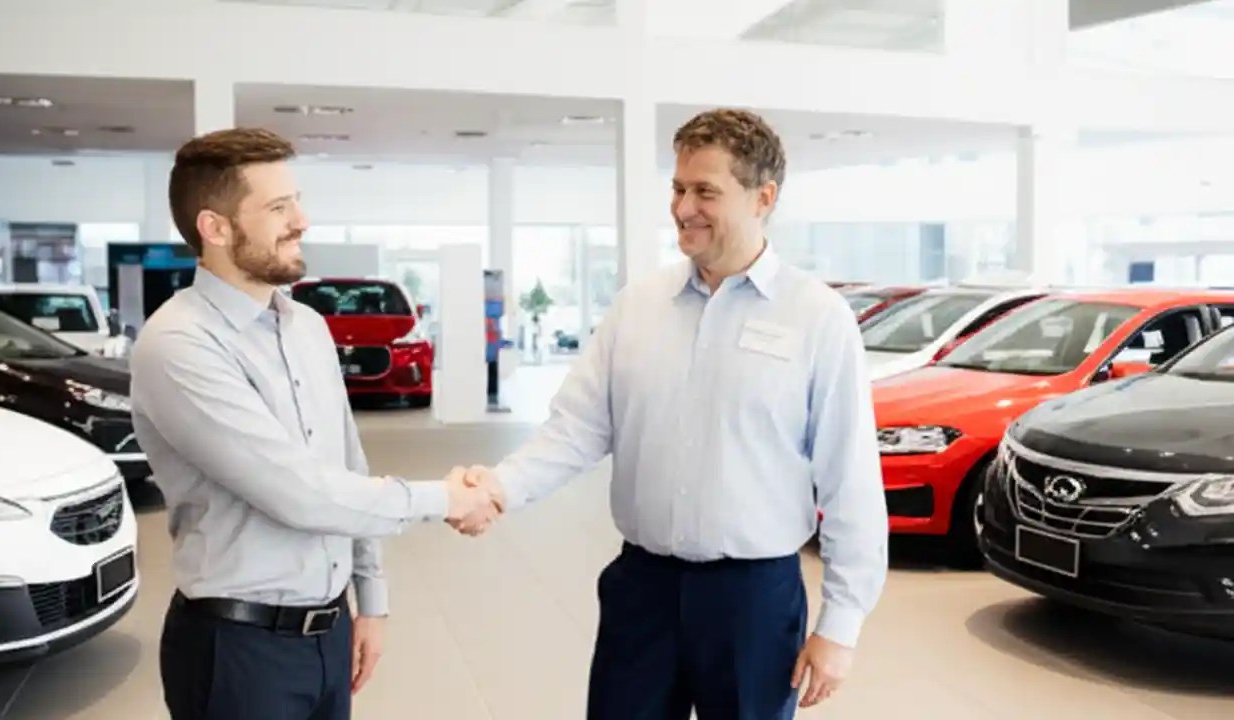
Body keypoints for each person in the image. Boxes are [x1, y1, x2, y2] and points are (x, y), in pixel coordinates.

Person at [458, 108, 889, 718]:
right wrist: (498, 488)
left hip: (754, 599)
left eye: (705, 191)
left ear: (763, 197)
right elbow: (576, 430)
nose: (684, 207)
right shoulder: (639, 306)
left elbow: (851, 482)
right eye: (678, 188)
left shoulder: (817, 318)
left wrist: (840, 625)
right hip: (643, 590)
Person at [130, 127, 500, 720]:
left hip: (328, 631)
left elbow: (349, 468)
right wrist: (447, 498)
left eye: (296, 200)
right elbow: (299, 493)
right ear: (215, 228)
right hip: (237, 652)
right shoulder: (179, 345)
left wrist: (370, 601)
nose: (301, 220)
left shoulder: (306, 326)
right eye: (278, 207)